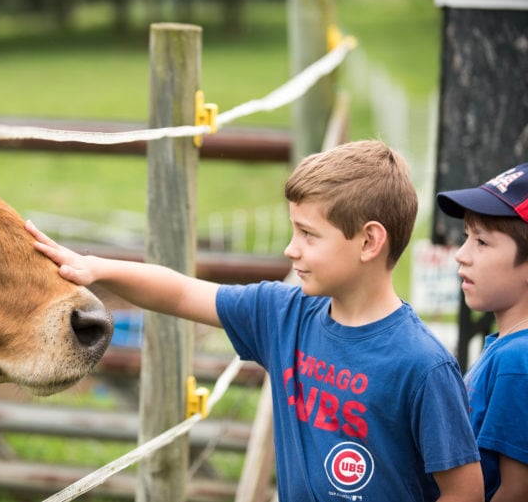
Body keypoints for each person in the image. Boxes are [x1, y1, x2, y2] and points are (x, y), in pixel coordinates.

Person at [29, 140, 483, 501]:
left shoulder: (424, 366)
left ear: (368, 242)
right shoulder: (282, 314)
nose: (291, 248)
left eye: (308, 234)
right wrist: (97, 268)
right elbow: (182, 292)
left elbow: (465, 492)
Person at [437, 164, 528, 502]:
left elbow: (516, 492)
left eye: (482, 241)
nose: (461, 255)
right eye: (466, 237)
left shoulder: (518, 360)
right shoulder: (506, 347)